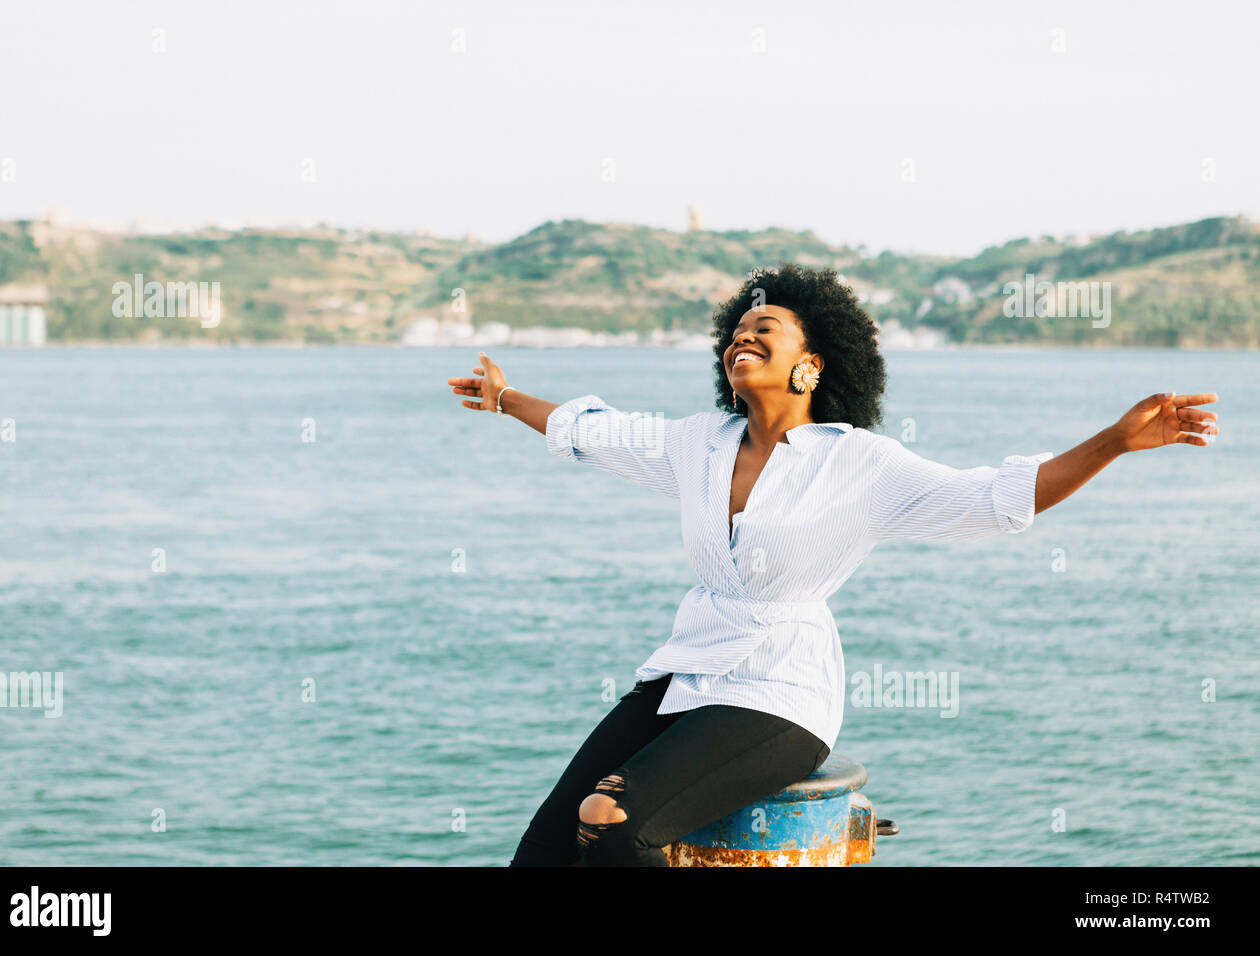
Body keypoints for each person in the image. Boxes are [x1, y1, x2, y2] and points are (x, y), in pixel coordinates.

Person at [446, 263, 1220, 867]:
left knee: (611, 820)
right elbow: (596, 432)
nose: (742, 338)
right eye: (737, 331)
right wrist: (506, 396)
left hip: (781, 695)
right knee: (544, 846)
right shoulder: (698, 444)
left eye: (766, 328)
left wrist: (1114, 442)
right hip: (686, 670)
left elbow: (990, 499)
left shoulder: (860, 465)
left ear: (811, 365)